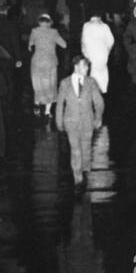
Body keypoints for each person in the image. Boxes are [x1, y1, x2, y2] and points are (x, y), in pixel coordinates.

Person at [55, 55, 105, 188]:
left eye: (87, 66)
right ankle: (78, 177)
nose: (87, 68)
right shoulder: (65, 83)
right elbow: (60, 103)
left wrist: (98, 116)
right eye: (84, 66)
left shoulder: (91, 82)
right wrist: (58, 121)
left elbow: (98, 101)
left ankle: (84, 169)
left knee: (86, 147)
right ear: (76, 67)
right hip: (71, 121)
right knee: (75, 149)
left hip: (88, 121)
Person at [28, 13, 66, 118]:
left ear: (39, 22)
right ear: (49, 22)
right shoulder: (54, 32)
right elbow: (64, 45)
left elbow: (30, 46)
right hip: (50, 62)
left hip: (37, 62)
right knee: (50, 85)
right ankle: (47, 111)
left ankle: (37, 104)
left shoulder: (34, 31)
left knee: (38, 84)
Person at [81, 13, 115, 95]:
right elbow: (111, 40)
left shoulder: (86, 25)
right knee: (102, 73)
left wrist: (84, 52)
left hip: (91, 54)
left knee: (92, 73)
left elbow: (83, 41)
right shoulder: (105, 26)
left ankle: (92, 93)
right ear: (99, 17)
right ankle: (102, 91)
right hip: (103, 54)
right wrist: (107, 50)